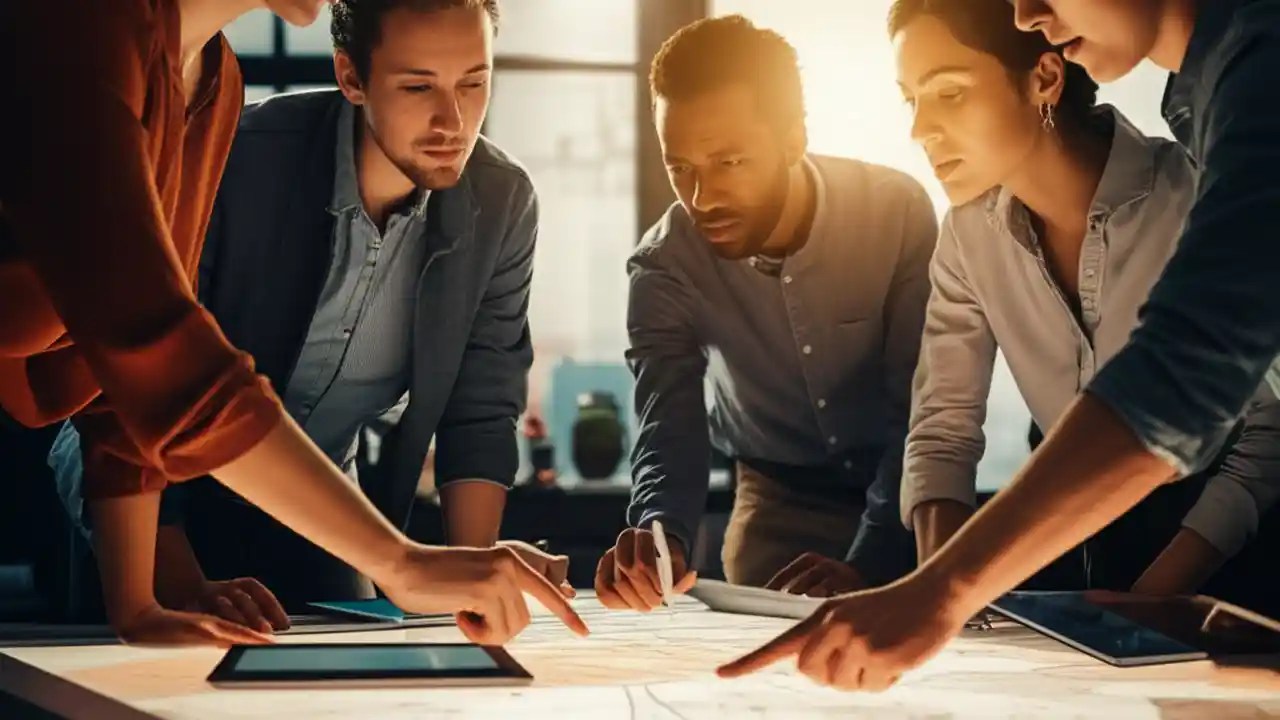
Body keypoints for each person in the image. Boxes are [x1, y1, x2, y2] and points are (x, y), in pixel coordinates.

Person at [718, 0, 1280, 690]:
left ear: (1045, 80)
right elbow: (941, 432)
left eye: (949, 93)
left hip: (1231, 563)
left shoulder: (1204, 167)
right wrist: (937, 594)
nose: (920, 129)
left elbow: (1196, 394)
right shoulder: (969, 234)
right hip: (1075, 550)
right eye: (911, 100)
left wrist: (943, 595)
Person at [0, 0, 586, 647]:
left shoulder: (211, 79)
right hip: (166, 489)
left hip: (300, 503)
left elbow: (126, 382)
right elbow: (153, 354)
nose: (452, 120)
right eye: (417, 86)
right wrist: (398, 562)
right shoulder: (88, 38)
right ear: (351, 77)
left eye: (474, 82)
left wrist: (136, 606)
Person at [595, 15, 937, 611]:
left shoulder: (896, 213)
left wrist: (871, 559)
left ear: (792, 140)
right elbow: (667, 421)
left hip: (908, 498)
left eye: (729, 162)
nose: (702, 199)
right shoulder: (664, 265)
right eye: (681, 168)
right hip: (775, 505)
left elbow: (921, 405)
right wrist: (659, 539)